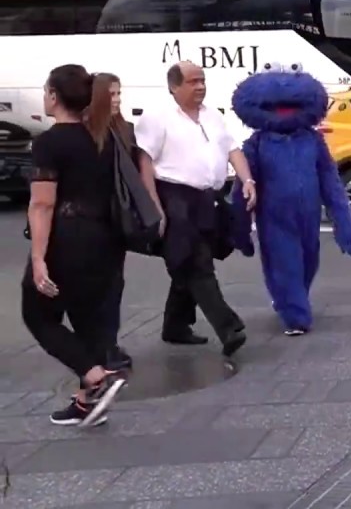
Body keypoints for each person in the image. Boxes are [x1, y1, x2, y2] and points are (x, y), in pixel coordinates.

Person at [22, 64, 129, 426]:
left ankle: (95, 374)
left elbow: (43, 203)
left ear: (54, 96)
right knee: (87, 319)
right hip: (105, 240)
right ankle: (86, 401)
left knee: (38, 315)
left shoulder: (50, 142)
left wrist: (38, 258)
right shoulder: (102, 136)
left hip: (67, 239)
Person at [136, 61, 250, 358]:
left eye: (202, 81)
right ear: (174, 86)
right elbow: (145, 161)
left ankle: (175, 326)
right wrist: (155, 206)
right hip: (173, 196)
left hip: (206, 197)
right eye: (192, 82)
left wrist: (247, 179)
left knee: (187, 261)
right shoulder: (157, 117)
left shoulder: (213, 116)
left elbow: (232, 149)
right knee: (196, 261)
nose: (200, 86)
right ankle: (228, 328)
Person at [85, 72, 156, 371]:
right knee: (98, 286)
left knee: (114, 284)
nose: (117, 100)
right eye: (111, 95)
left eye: (118, 94)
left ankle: (108, 344)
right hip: (91, 221)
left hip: (118, 217)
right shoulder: (85, 132)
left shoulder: (124, 129)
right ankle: (99, 349)